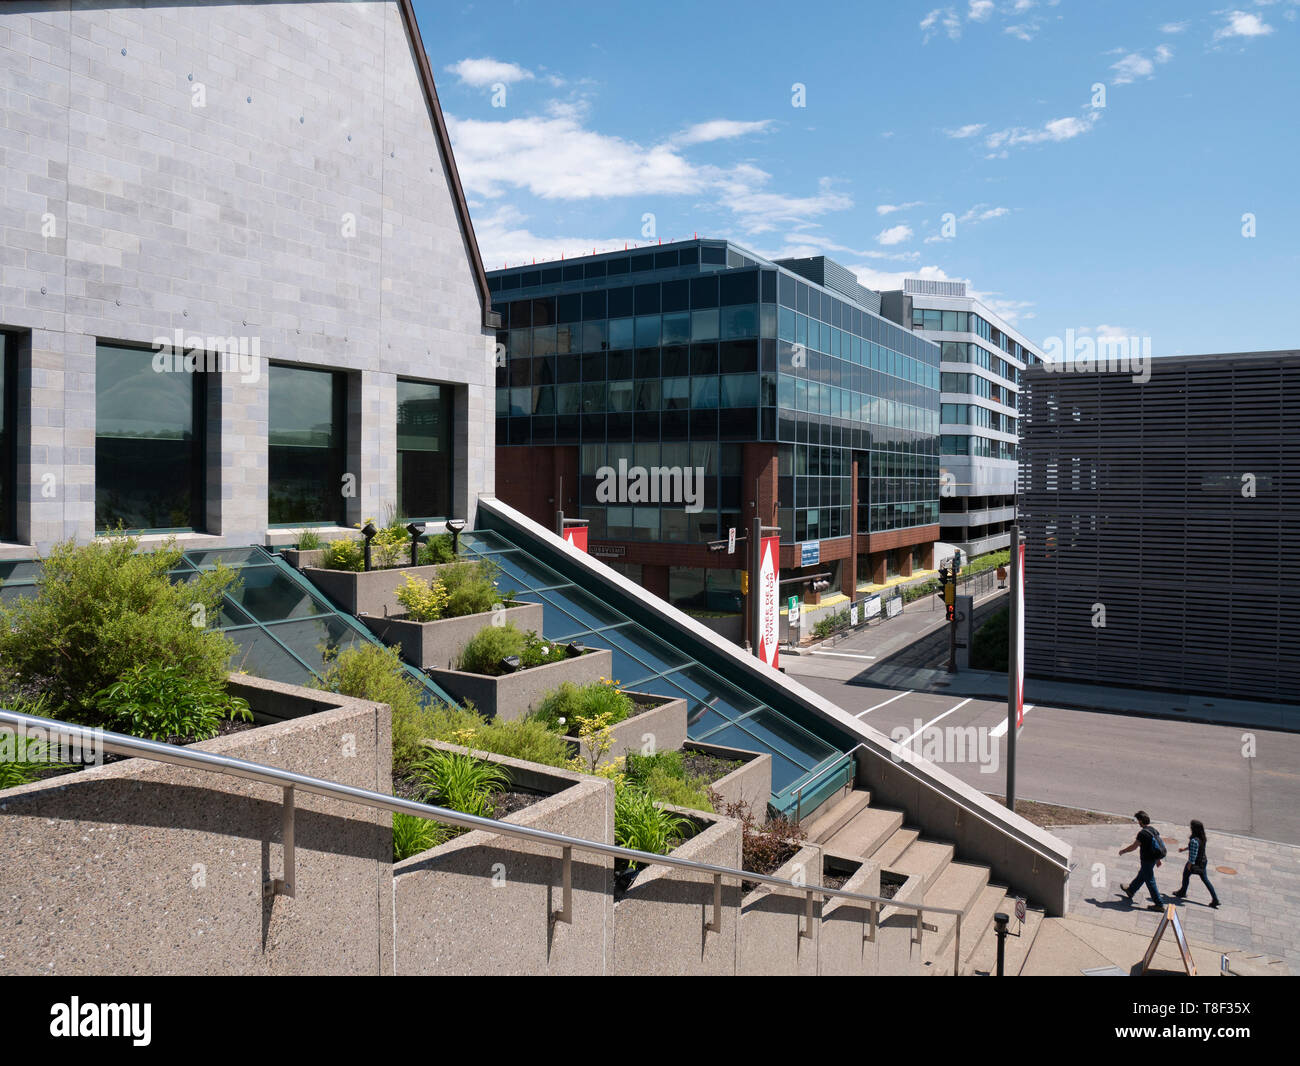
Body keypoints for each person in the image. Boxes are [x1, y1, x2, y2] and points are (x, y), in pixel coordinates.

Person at [1118, 810, 1166, 909]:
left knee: (1150, 880)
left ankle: (1159, 904)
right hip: (1152, 859)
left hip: (1147, 860)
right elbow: (1156, 845)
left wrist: (1123, 851)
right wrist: (1157, 859)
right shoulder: (1153, 829)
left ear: (1140, 821)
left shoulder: (1142, 834)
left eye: (1138, 820)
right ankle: (1131, 890)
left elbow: (1134, 847)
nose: (1137, 822)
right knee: (1142, 875)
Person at [1172, 819, 1221, 908]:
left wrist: (1190, 865)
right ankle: (1215, 899)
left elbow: (1193, 855)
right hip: (1203, 862)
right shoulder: (1202, 838)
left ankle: (1182, 892)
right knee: (1205, 880)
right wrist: (1184, 849)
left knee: (1186, 875)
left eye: (1191, 827)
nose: (1190, 828)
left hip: (1195, 863)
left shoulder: (1194, 840)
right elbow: (1196, 848)